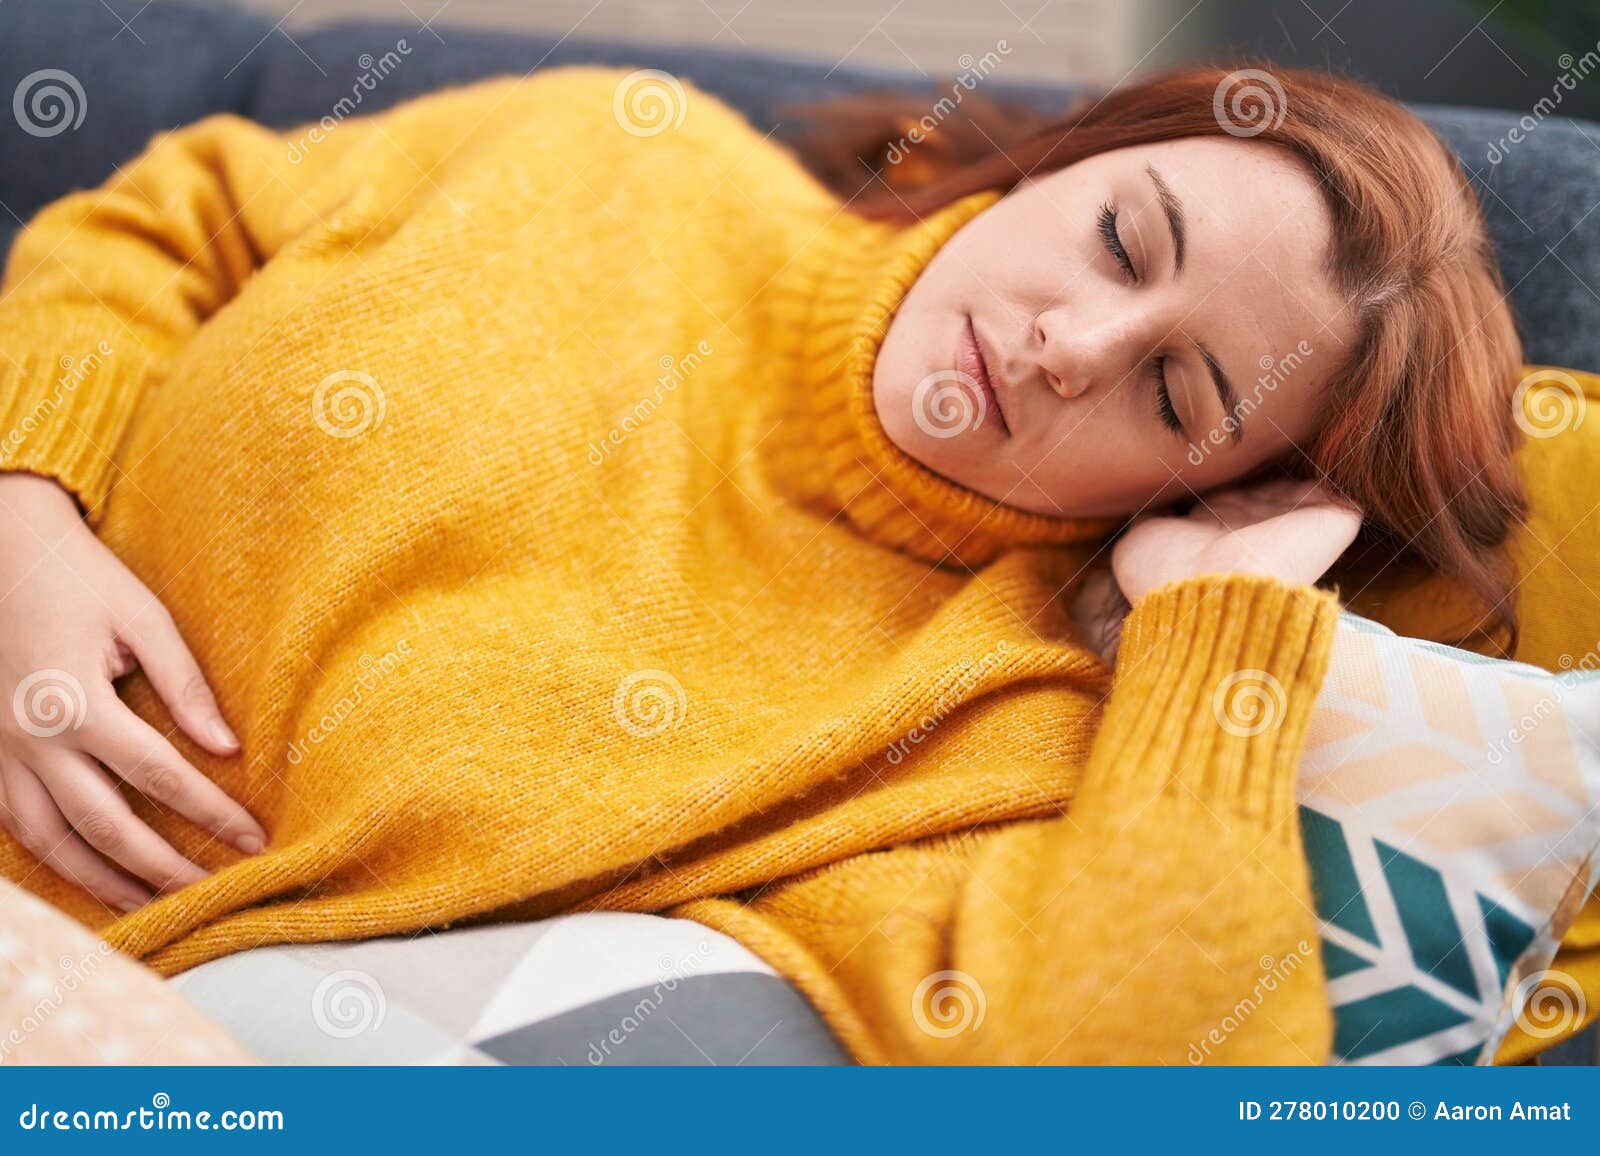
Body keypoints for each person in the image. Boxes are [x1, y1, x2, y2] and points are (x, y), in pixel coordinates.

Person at [0, 62, 1523, 1062]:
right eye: (1123, 241)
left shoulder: (981, 725)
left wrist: (1222, 644)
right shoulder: (615, 148)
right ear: (1064, 161)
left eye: (1177, 395)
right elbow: (168, 217)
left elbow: (1129, 1065)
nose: (1074, 345)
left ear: (1222, 485)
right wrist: (23, 518)